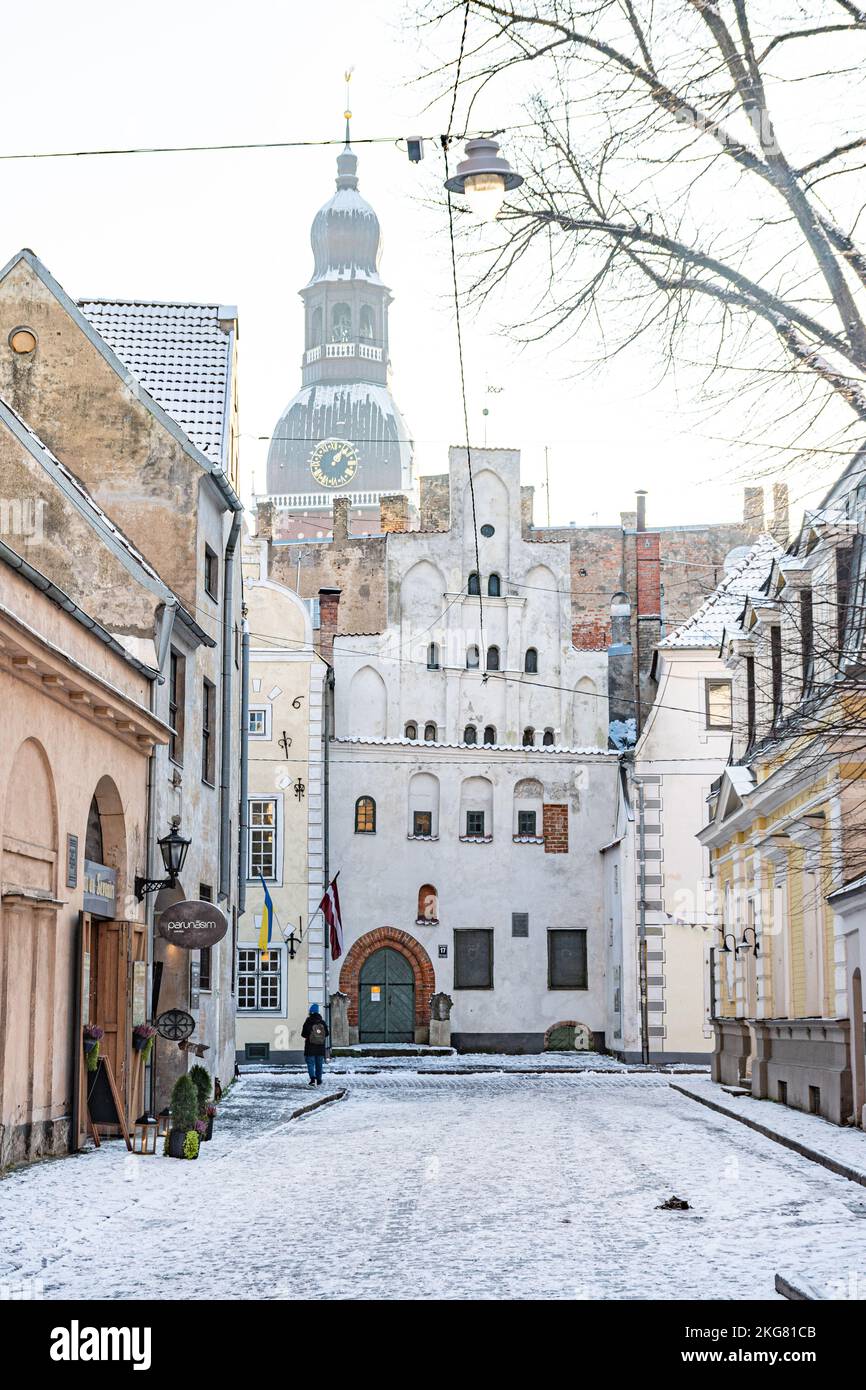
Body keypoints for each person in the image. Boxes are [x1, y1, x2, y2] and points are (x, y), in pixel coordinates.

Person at [301, 1003, 329, 1086]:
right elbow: (327, 1034)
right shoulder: (322, 1022)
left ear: (310, 1012)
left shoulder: (308, 1021)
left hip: (310, 1047)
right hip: (320, 1047)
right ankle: (319, 1079)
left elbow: (303, 1034)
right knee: (319, 1064)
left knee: (310, 1064)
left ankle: (313, 1079)